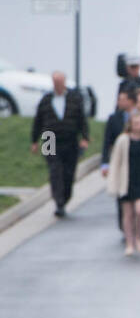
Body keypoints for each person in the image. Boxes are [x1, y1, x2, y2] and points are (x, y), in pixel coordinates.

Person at [29, 71, 89, 218]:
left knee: (68, 171)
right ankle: (58, 201)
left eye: (60, 82)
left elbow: (82, 119)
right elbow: (38, 121)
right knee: (54, 170)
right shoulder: (46, 100)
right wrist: (34, 141)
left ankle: (65, 197)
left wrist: (85, 137)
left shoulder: (74, 99)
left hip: (69, 138)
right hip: (49, 138)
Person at [106, 110, 140, 255]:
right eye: (136, 123)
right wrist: (113, 181)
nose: (138, 126)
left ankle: (138, 237)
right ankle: (129, 242)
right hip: (126, 180)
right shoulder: (123, 139)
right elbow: (116, 161)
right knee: (127, 213)